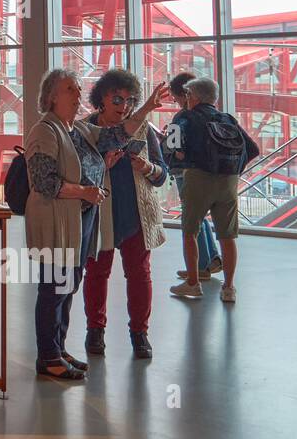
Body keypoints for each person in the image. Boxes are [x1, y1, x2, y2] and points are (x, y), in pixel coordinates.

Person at [24, 68, 167, 381]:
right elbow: (44, 182)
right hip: (56, 224)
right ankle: (48, 356)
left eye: (78, 89)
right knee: (54, 290)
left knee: (67, 288)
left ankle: (58, 349)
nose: (77, 94)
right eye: (70, 89)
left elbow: (118, 135)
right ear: (51, 97)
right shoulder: (46, 131)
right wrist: (85, 191)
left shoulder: (76, 130)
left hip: (77, 222)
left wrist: (147, 108)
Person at [82, 69, 169, 359]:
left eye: (130, 100)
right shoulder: (85, 130)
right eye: (117, 99)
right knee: (96, 273)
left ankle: (140, 333)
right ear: (101, 99)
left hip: (136, 216)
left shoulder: (144, 129)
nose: (124, 107)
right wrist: (102, 166)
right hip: (99, 213)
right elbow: (75, 176)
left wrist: (147, 168)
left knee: (140, 274)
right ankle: (95, 330)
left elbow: (161, 176)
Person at [168, 77, 258, 303]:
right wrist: (233, 169)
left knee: (190, 232)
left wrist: (182, 158)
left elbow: (172, 148)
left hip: (198, 178)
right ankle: (228, 288)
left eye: (188, 95)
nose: (186, 98)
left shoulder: (184, 117)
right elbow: (253, 149)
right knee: (227, 236)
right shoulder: (227, 118)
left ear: (194, 97)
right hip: (228, 181)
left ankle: (193, 283)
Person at [166, 72, 223, 281]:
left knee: (191, 220)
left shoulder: (181, 117)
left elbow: (173, 147)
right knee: (200, 217)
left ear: (186, 94)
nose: (177, 101)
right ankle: (211, 259)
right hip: (211, 173)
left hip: (186, 173)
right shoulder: (215, 115)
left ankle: (199, 267)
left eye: (176, 97)